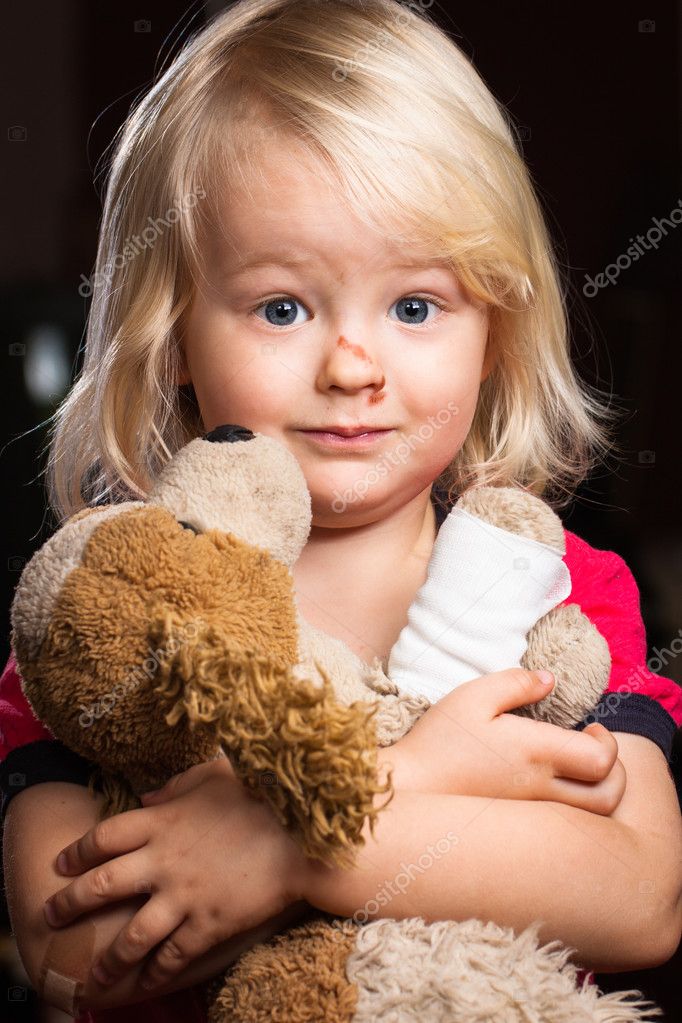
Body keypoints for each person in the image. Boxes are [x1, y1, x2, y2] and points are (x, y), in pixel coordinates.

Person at [2, 0, 681, 1018]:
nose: (352, 366)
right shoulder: (117, 604)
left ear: (493, 328)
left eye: (414, 307)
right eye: (282, 308)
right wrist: (437, 784)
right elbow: (69, 947)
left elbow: (637, 896)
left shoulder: (556, 594)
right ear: (176, 338)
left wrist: (290, 846)